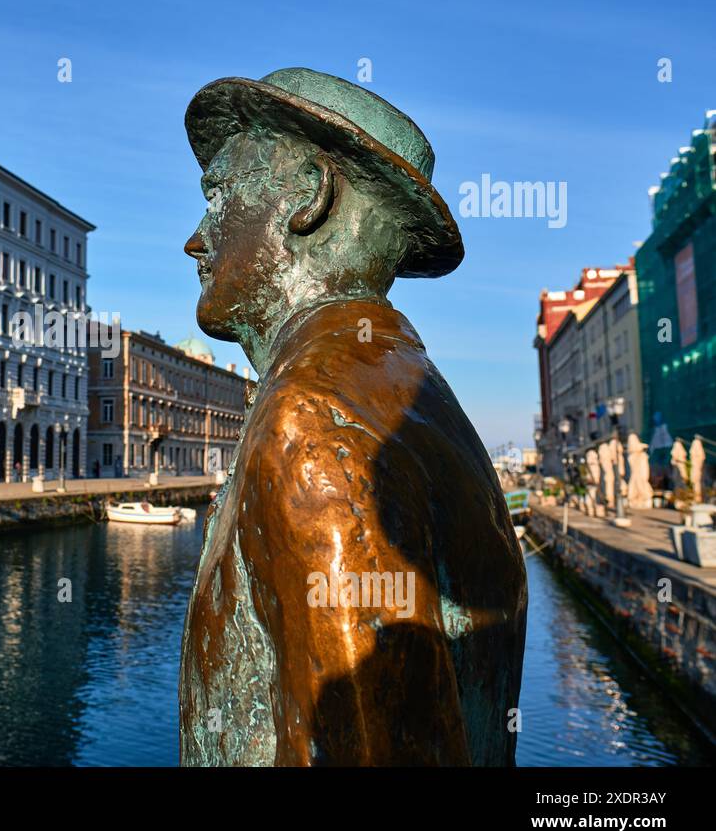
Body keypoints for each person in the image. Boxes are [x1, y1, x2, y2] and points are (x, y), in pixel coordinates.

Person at [179, 67, 526, 766]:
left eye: (218, 195)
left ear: (308, 197)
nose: (196, 239)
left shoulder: (313, 424)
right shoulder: (407, 388)